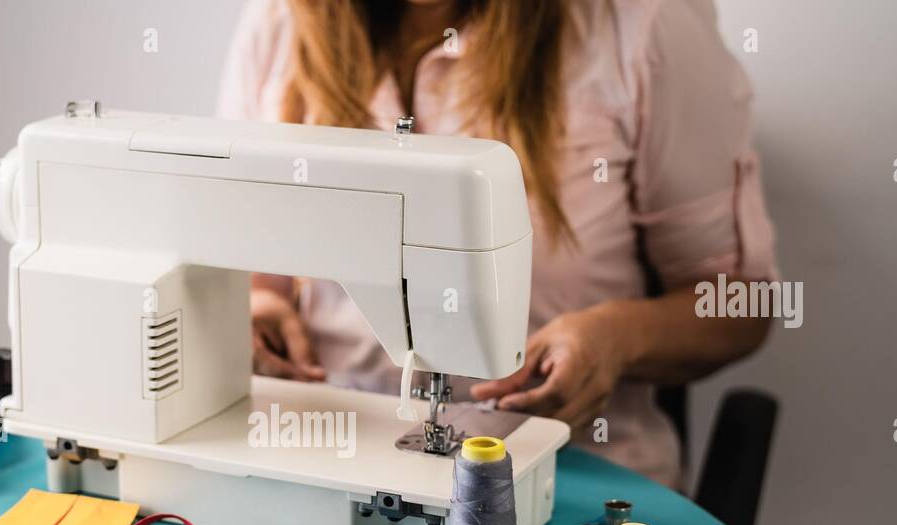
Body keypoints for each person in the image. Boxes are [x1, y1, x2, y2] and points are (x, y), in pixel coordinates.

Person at [218, 0, 778, 488]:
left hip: (580, 478)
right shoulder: (279, 27)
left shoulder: (641, 26)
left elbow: (741, 306)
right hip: (329, 461)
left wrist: (617, 337)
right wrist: (259, 307)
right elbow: (253, 261)